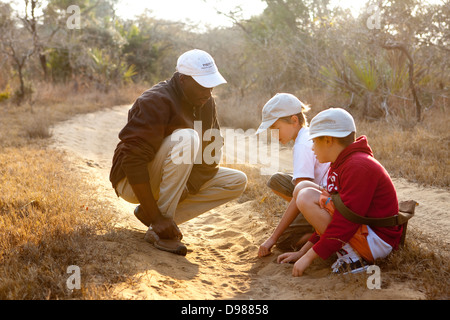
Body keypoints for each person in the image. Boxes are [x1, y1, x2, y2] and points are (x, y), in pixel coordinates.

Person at [109, 49, 247, 255]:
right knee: (187, 138)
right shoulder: (155, 100)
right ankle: (159, 226)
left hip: (166, 181)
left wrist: (188, 187)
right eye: (202, 85)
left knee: (237, 181)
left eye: (211, 85)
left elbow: (211, 153)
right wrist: (157, 216)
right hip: (130, 182)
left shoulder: (206, 102)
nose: (208, 93)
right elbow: (133, 160)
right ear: (183, 79)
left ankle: (157, 217)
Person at [277, 108, 402, 276]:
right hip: (365, 230)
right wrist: (302, 253)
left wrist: (309, 257)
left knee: (306, 197)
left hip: (377, 241)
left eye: (314, 141)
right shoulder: (342, 163)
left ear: (328, 140)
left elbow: (344, 222)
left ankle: (355, 260)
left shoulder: (358, 166)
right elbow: (335, 216)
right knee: (302, 188)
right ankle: (349, 251)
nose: (312, 148)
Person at [256, 93, 330, 257]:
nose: (274, 135)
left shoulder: (303, 145)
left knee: (283, 241)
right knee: (277, 181)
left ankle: (315, 229)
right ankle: (309, 217)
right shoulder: (306, 135)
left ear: (294, 120)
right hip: (319, 190)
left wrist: (272, 238)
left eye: (276, 129)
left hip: (326, 199)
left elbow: (300, 194)